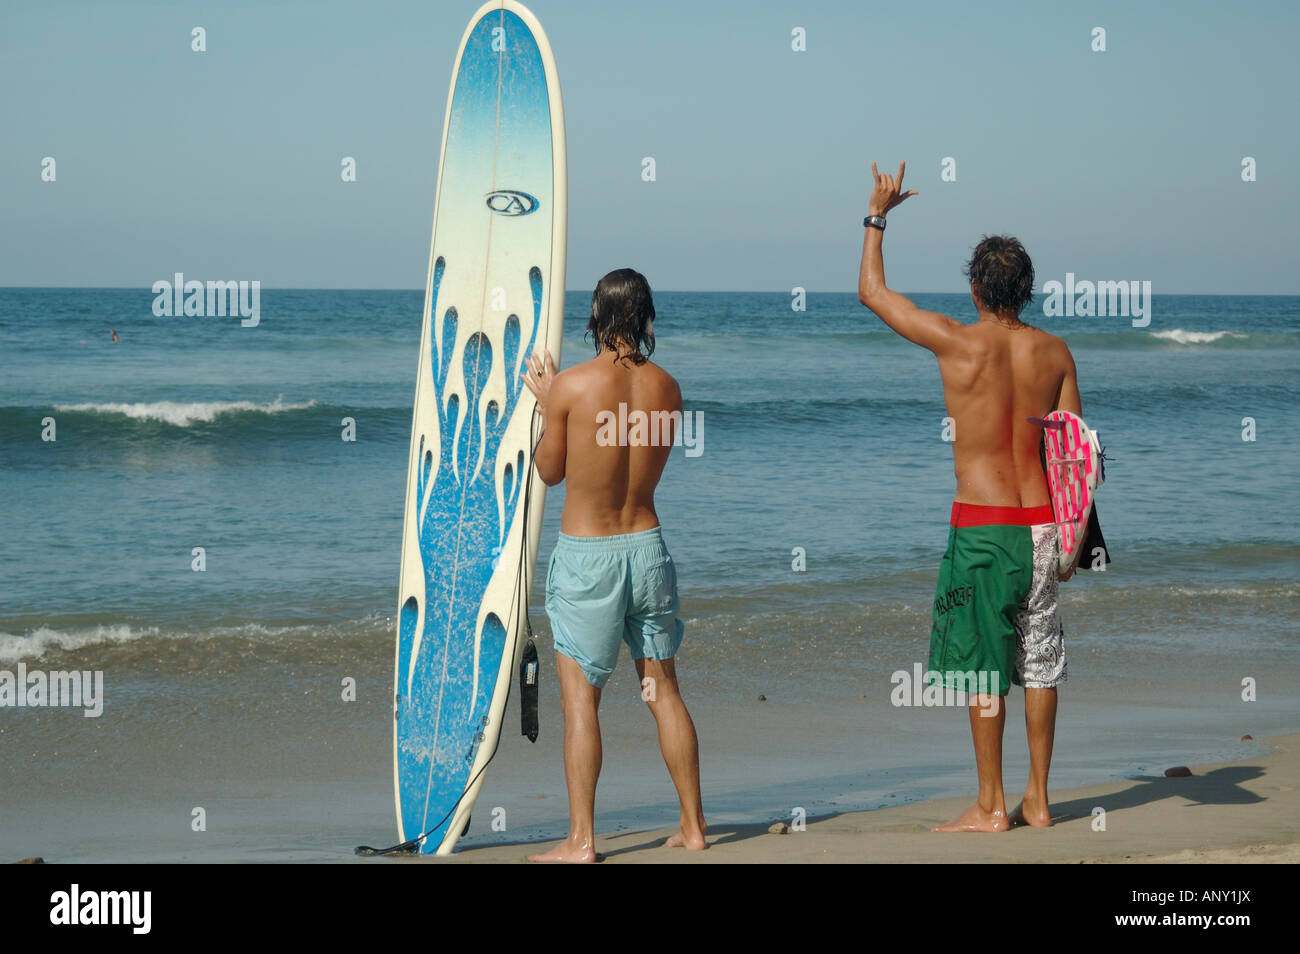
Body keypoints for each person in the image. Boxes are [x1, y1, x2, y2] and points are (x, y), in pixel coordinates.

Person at [857, 162, 1080, 832]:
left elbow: (873, 292)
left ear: (977, 288)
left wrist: (876, 215)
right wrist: (1076, 537)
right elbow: (1073, 456)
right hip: (1044, 525)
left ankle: (991, 805)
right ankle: (1038, 799)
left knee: (983, 667)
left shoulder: (956, 342)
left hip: (982, 528)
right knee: (1040, 664)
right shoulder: (1056, 352)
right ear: (1027, 290)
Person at [520, 267, 707, 862]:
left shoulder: (571, 387)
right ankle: (694, 826)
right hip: (647, 546)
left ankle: (581, 841)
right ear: (646, 318)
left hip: (588, 557)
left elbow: (550, 471)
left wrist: (548, 405)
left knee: (581, 701)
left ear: (596, 317)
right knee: (663, 691)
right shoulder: (669, 389)